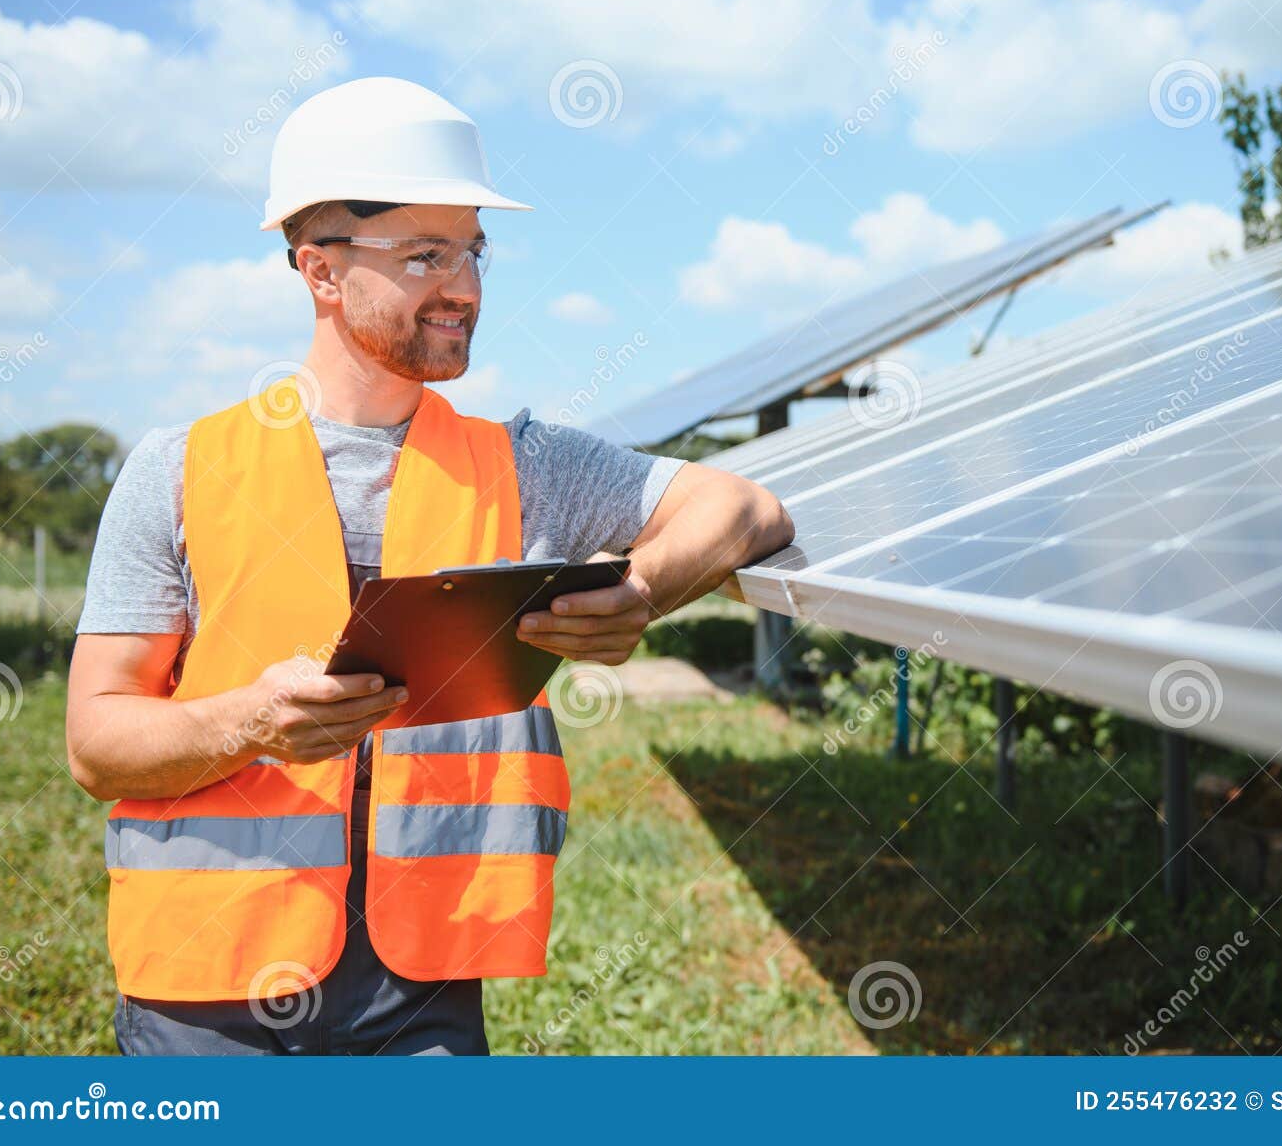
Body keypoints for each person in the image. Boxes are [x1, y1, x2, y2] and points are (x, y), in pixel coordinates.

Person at [64, 77, 793, 1056]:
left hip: (423, 996)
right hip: (205, 989)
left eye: (473, 252)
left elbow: (745, 506)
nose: (467, 287)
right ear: (319, 272)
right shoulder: (179, 472)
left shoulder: (527, 463)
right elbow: (95, 741)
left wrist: (644, 591)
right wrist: (247, 722)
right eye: (425, 255)